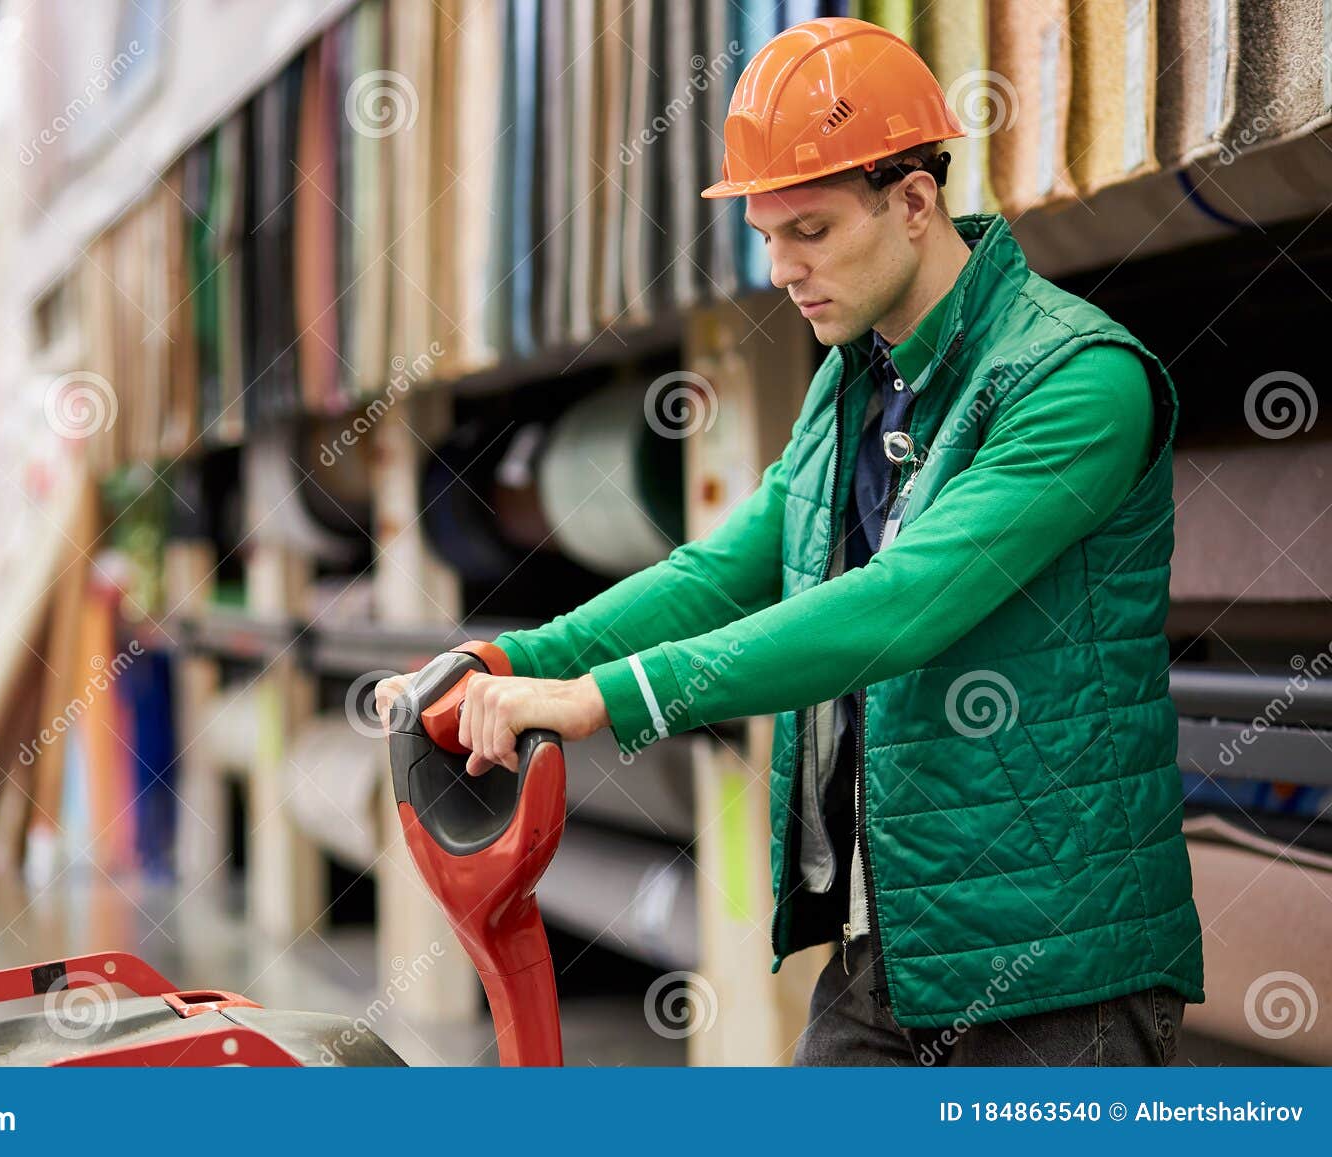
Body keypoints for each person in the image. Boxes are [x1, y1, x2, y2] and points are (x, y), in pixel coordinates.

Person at [378, 17, 1202, 1066]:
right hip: (890, 945)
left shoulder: (1076, 379)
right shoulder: (854, 381)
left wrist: (604, 697)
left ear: (912, 202)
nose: (779, 268)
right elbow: (724, 570)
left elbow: (901, 603)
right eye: (766, 234)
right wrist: (512, 660)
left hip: (1057, 968)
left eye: (807, 230)